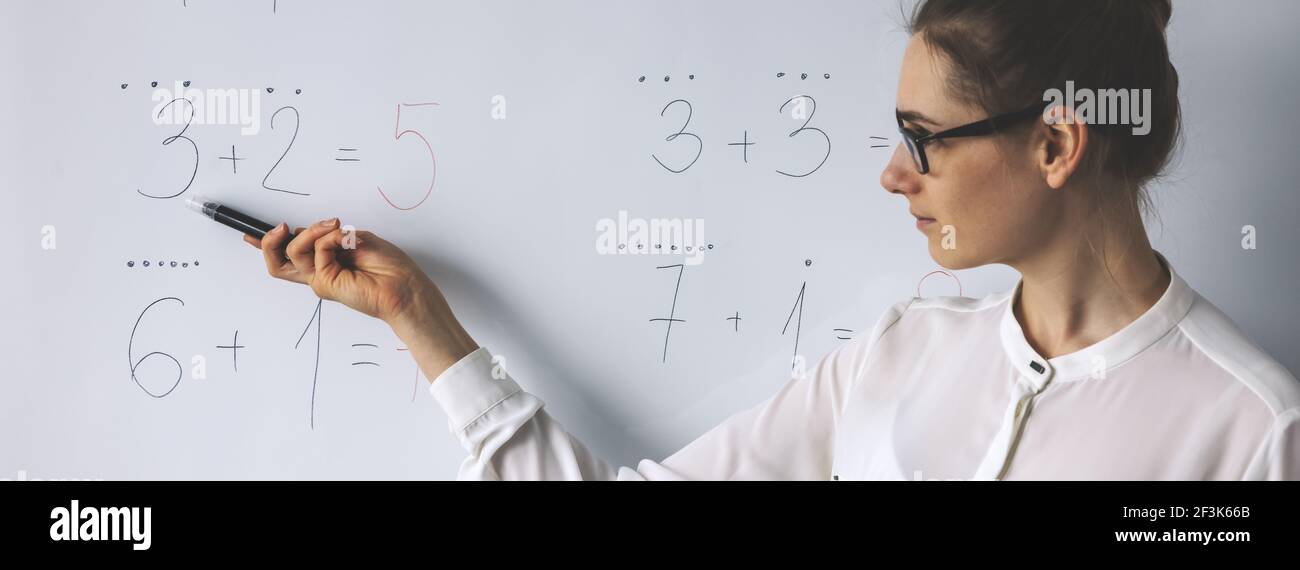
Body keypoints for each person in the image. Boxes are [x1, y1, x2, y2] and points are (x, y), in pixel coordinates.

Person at [244, 0, 1299, 480]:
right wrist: (417, 320)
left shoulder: (1250, 433)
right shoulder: (900, 353)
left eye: (921, 141)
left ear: (1056, 143)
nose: (893, 174)